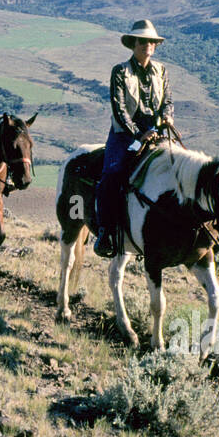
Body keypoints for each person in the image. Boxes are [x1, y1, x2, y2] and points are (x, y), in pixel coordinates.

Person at [93, 19, 174, 259]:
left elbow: (167, 101)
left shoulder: (161, 71)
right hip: (126, 134)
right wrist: (138, 134)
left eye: (151, 42)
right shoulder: (120, 71)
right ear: (133, 44)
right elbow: (119, 108)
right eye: (143, 41)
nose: (147, 45)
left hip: (156, 132)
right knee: (112, 174)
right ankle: (105, 231)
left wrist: (167, 118)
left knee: (177, 168)